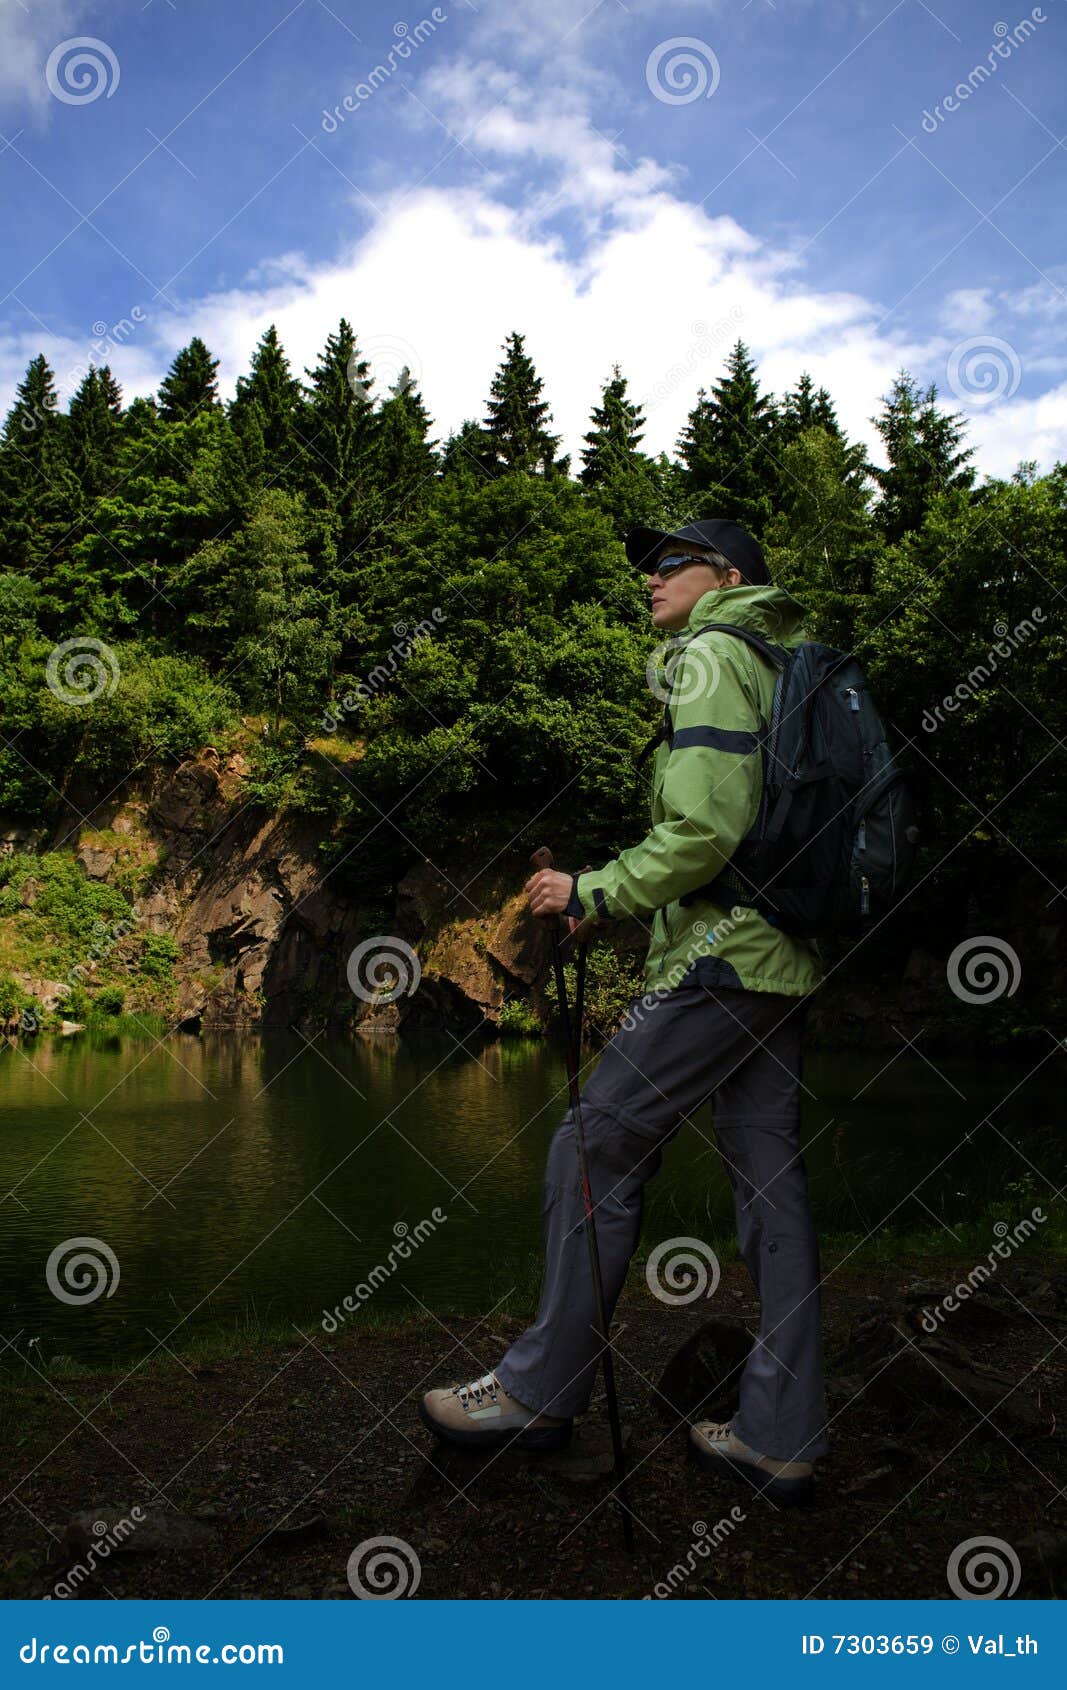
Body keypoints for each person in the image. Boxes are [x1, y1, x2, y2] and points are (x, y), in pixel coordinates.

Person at [419, 519, 828, 1504]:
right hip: (776, 959)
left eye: (670, 561)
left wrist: (592, 891)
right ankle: (780, 1432)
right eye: (648, 564)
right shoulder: (780, 663)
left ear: (725, 576)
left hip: (718, 963)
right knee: (769, 1186)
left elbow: (704, 826)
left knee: (592, 1145)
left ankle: (534, 1391)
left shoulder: (712, 655)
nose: (649, 576)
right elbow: (739, 831)